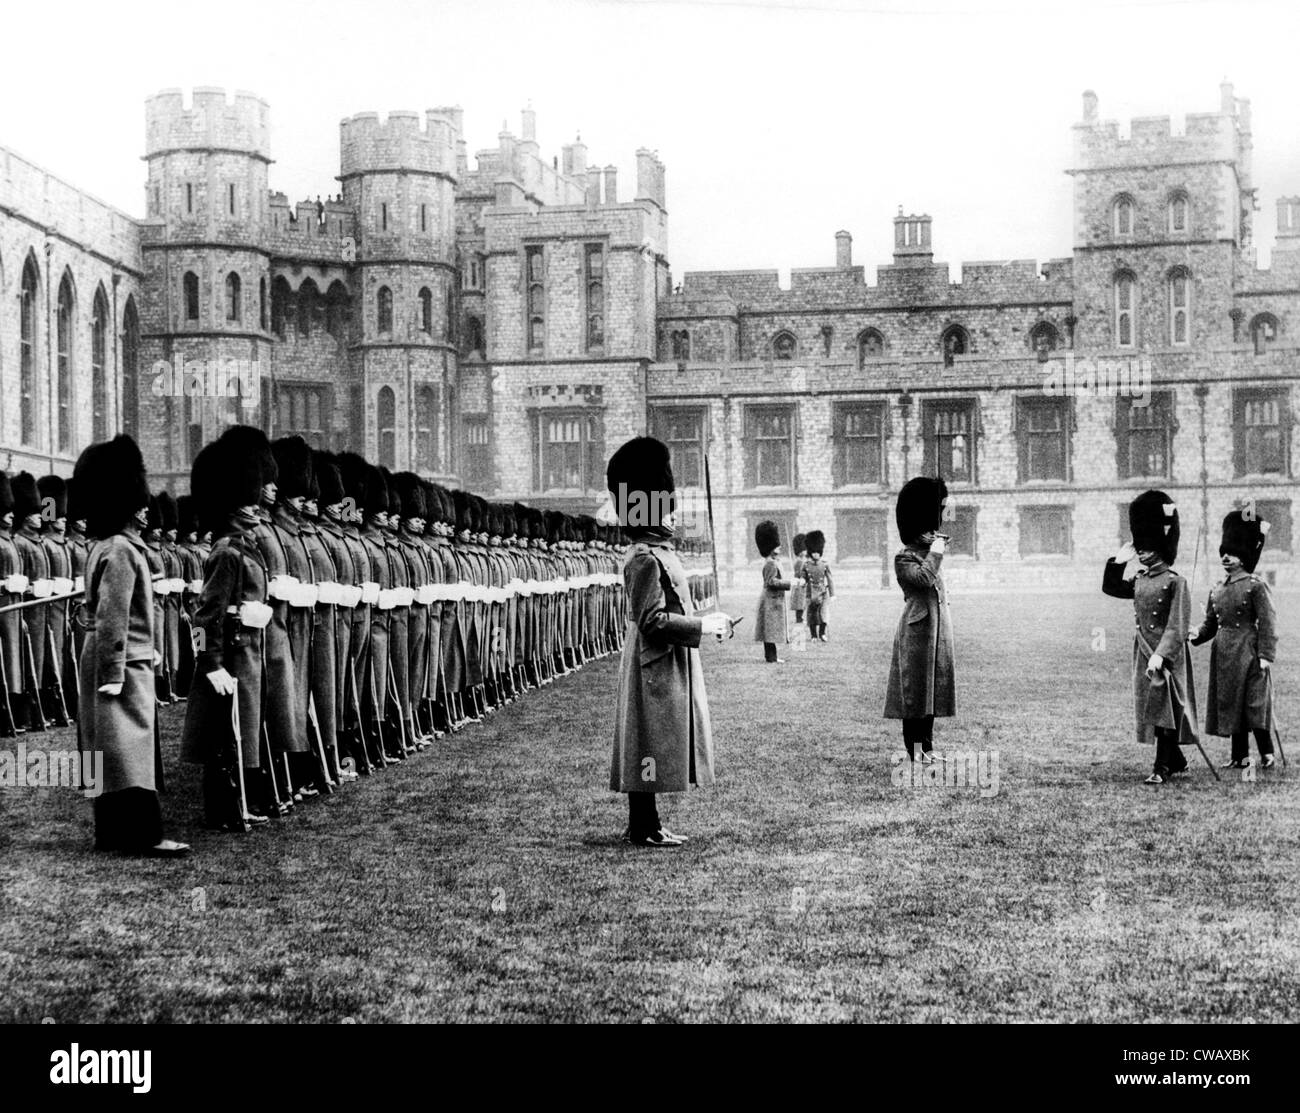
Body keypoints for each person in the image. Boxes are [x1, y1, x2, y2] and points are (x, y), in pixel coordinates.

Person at [607, 436, 731, 848]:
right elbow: (652, 621)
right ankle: (643, 825)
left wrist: (703, 622)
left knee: (654, 739)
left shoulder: (660, 549)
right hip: (652, 661)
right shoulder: (644, 556)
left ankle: (649, 823)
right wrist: (700, 627)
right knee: (647, 739)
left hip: (666, 659)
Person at [74, 435, 188, 857]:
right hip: (120, 663)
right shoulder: (121, 550)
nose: (144, 510)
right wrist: (114, 670)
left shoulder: (106, 546)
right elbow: (113, 614)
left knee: (109, 753)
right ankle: (144, 835)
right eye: (137, 502)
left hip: (120, 656)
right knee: (131, 752)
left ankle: (112, 834)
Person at [180, 435, 272, 831]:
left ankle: (242, 803)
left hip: (248, 651)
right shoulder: (225, 552)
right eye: (247, 498)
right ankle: (225, 809)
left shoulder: (246, 548)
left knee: (244, 732)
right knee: (224, 737)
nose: (255, 505)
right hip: (229, 657)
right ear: (231, 504)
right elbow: (204, 615)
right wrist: (209, 662)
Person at [1102, 489, 1199, 784]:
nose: (1141, 552)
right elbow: (1112, 588)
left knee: (1166, 708)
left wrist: (1161, 654)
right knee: (1153, 707)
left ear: (1161, 547)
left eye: (1147, 547)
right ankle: (1176, 759)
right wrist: (1119, 561)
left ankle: (1161, 767)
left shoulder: (1175, 582)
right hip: (1143, 651)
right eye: (1139, 547)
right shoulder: (1140, 579)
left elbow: (1177, 625)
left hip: (1166, 654)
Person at [1190, 510, 1277, 770]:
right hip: (1225, 652)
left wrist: (1265, 655)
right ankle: (1240, 756)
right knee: (1232, 703)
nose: (1226, 558)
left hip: (1249, 650)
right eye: (1223, 554)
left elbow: (1269, 622)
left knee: (1254, 702)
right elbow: (1211, 624)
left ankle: (1267, 753)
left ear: (1244, 557)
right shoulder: (1217, 588)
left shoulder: (1256, 585)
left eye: (1232, 554)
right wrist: (1196, 634)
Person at [883, 478, 956, 763]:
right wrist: (936, 550)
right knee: (914, 694)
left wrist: (933, 547)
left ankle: (928, 748)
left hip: (937, 630)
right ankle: (915, 752)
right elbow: (924, 579)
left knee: (932, 692)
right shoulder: (904, 558)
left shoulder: (926, 551)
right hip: (916, 631)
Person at [752, 519, 789, 663]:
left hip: (773, 600)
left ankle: (772, 656)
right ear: (770, 546)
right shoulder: (770, 563)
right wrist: (789, 584)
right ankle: (771, 657)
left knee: (770, 631)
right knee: (769, 631)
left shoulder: (773, 562)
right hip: (770, 601)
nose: (780, 546)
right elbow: (771, 582)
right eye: (776, 545)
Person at [801, 530, 833, 642]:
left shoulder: (825, 564)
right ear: (810, 553)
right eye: (813, 552)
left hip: (823, 592)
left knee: (824, 613)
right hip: (811, 593)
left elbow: (830, 579)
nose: (816, 554)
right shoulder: (806, 565)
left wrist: (832, 594)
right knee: (811, 615)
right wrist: (801, 581)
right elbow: (803, 577)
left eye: (818, 552)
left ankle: (822, 633)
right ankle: (814, 635)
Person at [790, 532, 808, 625]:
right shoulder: (799, 561)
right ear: (801, 551)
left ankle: (800, 617)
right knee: (800, 603)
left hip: (802, 584)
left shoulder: (801, 560)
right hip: (799, 584)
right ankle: (799, 618)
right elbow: (799, 573)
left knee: (802, 602)